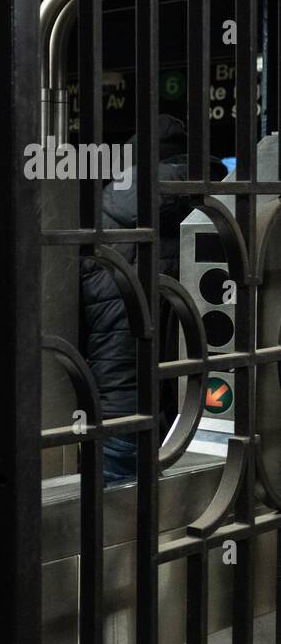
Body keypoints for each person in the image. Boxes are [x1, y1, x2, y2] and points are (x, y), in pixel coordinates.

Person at [80, 114, 227, 484]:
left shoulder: (97, 222)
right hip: (203, 409)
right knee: (191, 524)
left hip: (119, 410)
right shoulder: (220, 214)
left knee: (116, 530)